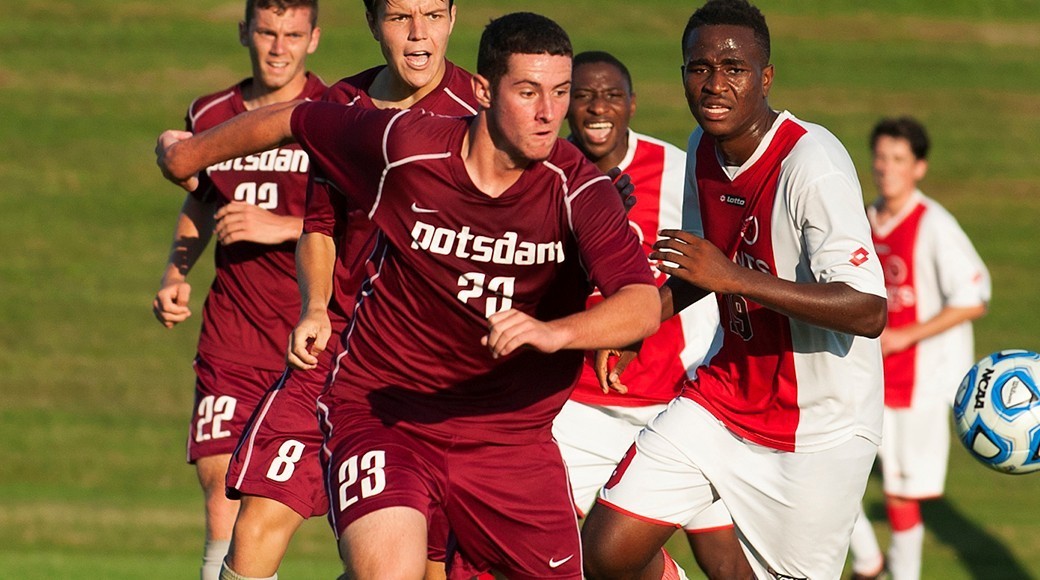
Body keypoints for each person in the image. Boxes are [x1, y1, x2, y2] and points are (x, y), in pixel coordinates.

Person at [156, 12, 661, 579]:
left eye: (560, 93)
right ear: (485, 91)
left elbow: (638, 300)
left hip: (506, 432)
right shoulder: (396, 140)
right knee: (314, 546)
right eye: (528, 92)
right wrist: (187, 158)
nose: (548, 112)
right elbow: (295, 129)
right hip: (381, 402)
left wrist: (561, 331)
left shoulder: (573, 181)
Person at [579, 1, 889, 579]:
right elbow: (699, 268)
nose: (715, 84)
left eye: (734, 68)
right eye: (699, 68)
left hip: (819, 427)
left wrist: (733, 278)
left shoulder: (812, 161)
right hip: (723, 397)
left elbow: (869, 310)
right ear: (683, 75)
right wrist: (639, 323)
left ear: (765, 77)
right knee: (606, 550)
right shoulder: (703, 147)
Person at [219, 1, 479, 578]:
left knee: (418, 569)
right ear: (372, 22)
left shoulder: (481, 111)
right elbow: (320, 225)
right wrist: (313, 306)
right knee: (256, 527)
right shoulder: (342, 106)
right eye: (400, 17)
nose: (419, 34)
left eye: (433, 15)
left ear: (453, 17)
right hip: (338, 347)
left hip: (430, 370)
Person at [554, 50, 751, 580]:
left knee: (724, 558)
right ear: (565, 103)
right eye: (583, 95)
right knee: (563, 550)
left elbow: (715, 263)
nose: (598, 108)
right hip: (575, 406)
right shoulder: (545, 173)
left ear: (632, 104)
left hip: (672, 402)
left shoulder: (678, 172)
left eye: (611, 96)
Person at [150, 2, 322, 579]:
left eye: (292, 34)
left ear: (314, 39)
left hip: (312, 338)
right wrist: (176, 273)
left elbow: (366, 220)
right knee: (221, 485)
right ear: (245, 31)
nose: (278, 48)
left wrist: (281, 226)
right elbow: (201, 198)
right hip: (234, 336)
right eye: (268, 32)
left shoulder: (333, 113)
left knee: (293, 507)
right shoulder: (211, 114)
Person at [847, 117, 990, 580]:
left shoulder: (934, 225)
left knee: (902, 496)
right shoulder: (863, 220)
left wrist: (906, 335)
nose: (886, 168)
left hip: (918, 384)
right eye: (881, 157)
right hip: (865, 377)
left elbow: (974, 298)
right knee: (833, 472)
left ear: (919, 167)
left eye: (899, 159)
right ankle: (868, 560)